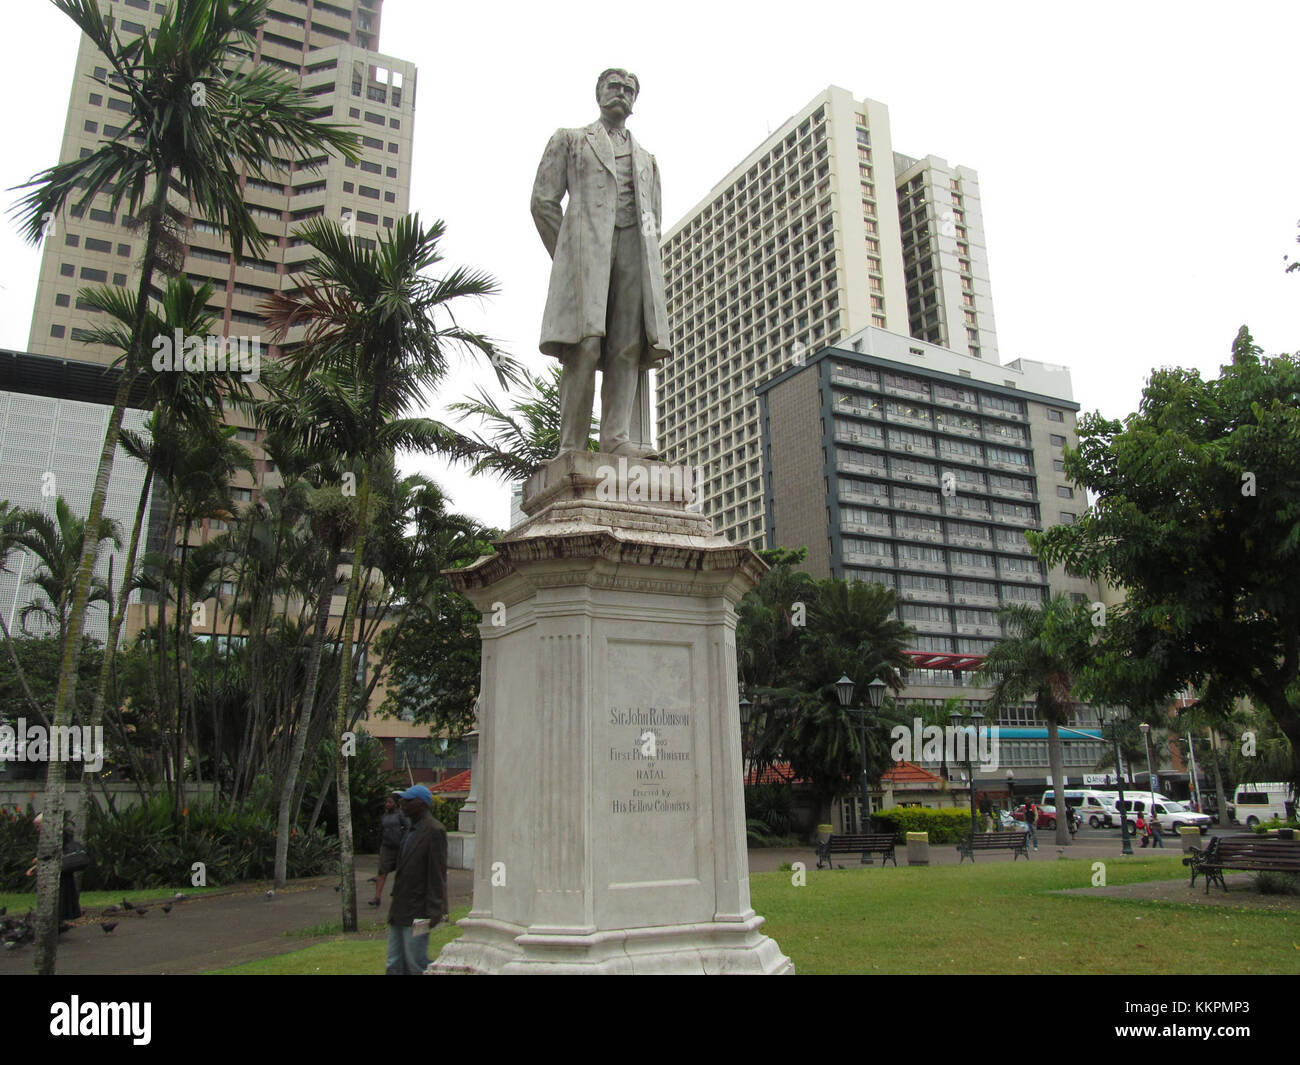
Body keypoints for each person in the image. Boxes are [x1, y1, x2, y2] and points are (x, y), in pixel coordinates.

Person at [531, 68, 672, 457]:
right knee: (586, 343)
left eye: (629, 89)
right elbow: (543, 201)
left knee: (625, 346)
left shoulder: (648, 161)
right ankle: (571, 444)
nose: (621, 93)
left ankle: (616, 438)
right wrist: (568, 255)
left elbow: (653, 222)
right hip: (586, 255)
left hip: (634, 253)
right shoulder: (571, 140)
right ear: (597, 92)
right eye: (614, 86)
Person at [386, 785, 448, 975]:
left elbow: (437, 873)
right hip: (400, 907)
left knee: (416, 962)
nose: (402, 804)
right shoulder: (409, 830)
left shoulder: (434, 831)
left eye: (408, 800)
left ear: (421, 804)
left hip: (418, 909)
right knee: (394, 962)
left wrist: (436, 908)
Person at [26, 811, 86, 925]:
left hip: (61, 874)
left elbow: (56, 855)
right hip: (59, 872)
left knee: (59, 901)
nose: (37, 830)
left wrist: (40, 860)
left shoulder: (58, 836)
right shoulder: (53, 836)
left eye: (38, 826)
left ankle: (55, 925)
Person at [370, 793, 409, 907]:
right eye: (386, 802)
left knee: (400, 872)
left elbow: (407, 828)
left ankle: (398, 894)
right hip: (386, 846)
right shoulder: (385, 816)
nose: (387, 804)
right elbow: (381, 831)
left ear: (396, 804)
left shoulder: (401, 815)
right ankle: (377, 897)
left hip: (399, 847)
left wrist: (404, 842)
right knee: (382, 871)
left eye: (390, 802)